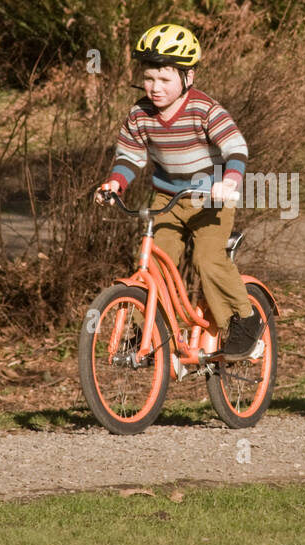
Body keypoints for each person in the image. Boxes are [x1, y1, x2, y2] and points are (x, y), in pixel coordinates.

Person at [94, 23, 263, 358]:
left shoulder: (204, 109)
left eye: (165, 79)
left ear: (188, 78)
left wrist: (229, 181)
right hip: (166, 199)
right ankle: (151, 333)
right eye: (149, 78)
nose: (155, 87)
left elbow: (235, 147)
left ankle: (245, 320)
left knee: (207, 258)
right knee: (155, 262)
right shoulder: (140, 115)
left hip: (209, 198)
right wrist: (115, 183)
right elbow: (130, 157)